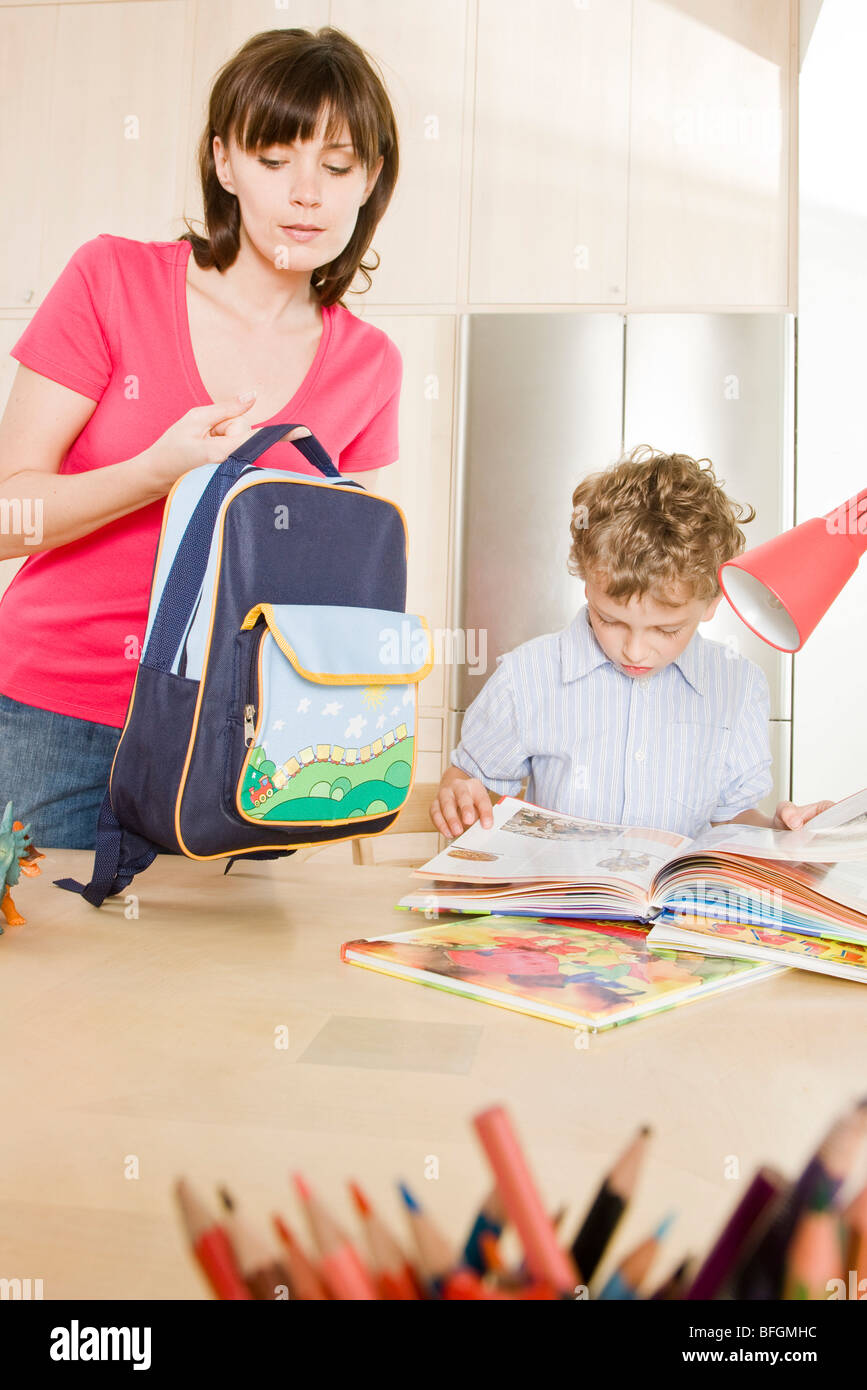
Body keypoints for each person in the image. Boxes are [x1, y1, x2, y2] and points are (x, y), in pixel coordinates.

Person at [0, 27, 402, 849]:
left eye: (336, 167)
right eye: (273, 159)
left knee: (218, 981)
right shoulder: (110, 281)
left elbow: (343, 591)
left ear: (370, 180)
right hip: (58, 720)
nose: (307, 196)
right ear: (223, 163)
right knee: (44, 977)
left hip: (246, 745)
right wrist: (156, 473)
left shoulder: (370, 364)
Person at [431, 447, 834, 839]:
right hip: (561, 904)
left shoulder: (738, 686)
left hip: (677, 904)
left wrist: (782, 835)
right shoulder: (528, 675)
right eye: (610, 620)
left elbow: (733, 821)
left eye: (666, 630)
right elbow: (471, 779)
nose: (635, 651)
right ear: (587, 583)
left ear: (713, 601)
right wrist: (461, 796)